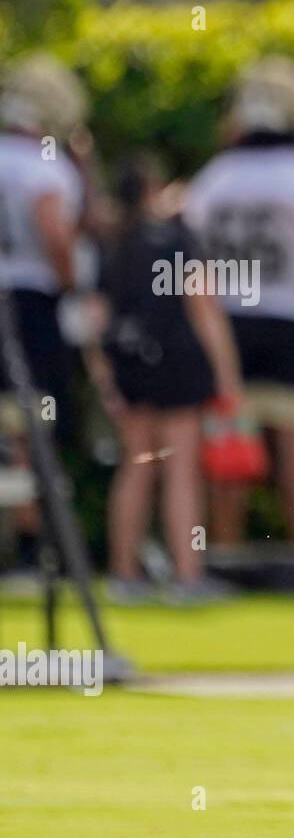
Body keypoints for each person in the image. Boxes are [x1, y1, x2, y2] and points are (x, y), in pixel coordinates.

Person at [183, 56, 294, 548]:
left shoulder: (212, 178)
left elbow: (195, 261)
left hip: (227, 326)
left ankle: (224, 555)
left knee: (230, 443)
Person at [89, 155, 243, 603]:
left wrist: (105, 379)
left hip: (129, 362)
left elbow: (95, 318)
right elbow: (203, 306)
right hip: (178, 362)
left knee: (135, 466)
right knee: (180, 468)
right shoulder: (178, 236)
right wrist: (227, 375)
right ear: (155, 186)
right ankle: (186, 574)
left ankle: (123, 574)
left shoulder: (113, 240)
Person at [0, 54, 86, 577]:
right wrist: (71, 279)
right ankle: (33, 548)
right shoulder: (44, 166)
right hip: (28, 306)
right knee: (30, 428)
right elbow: (54, 232)